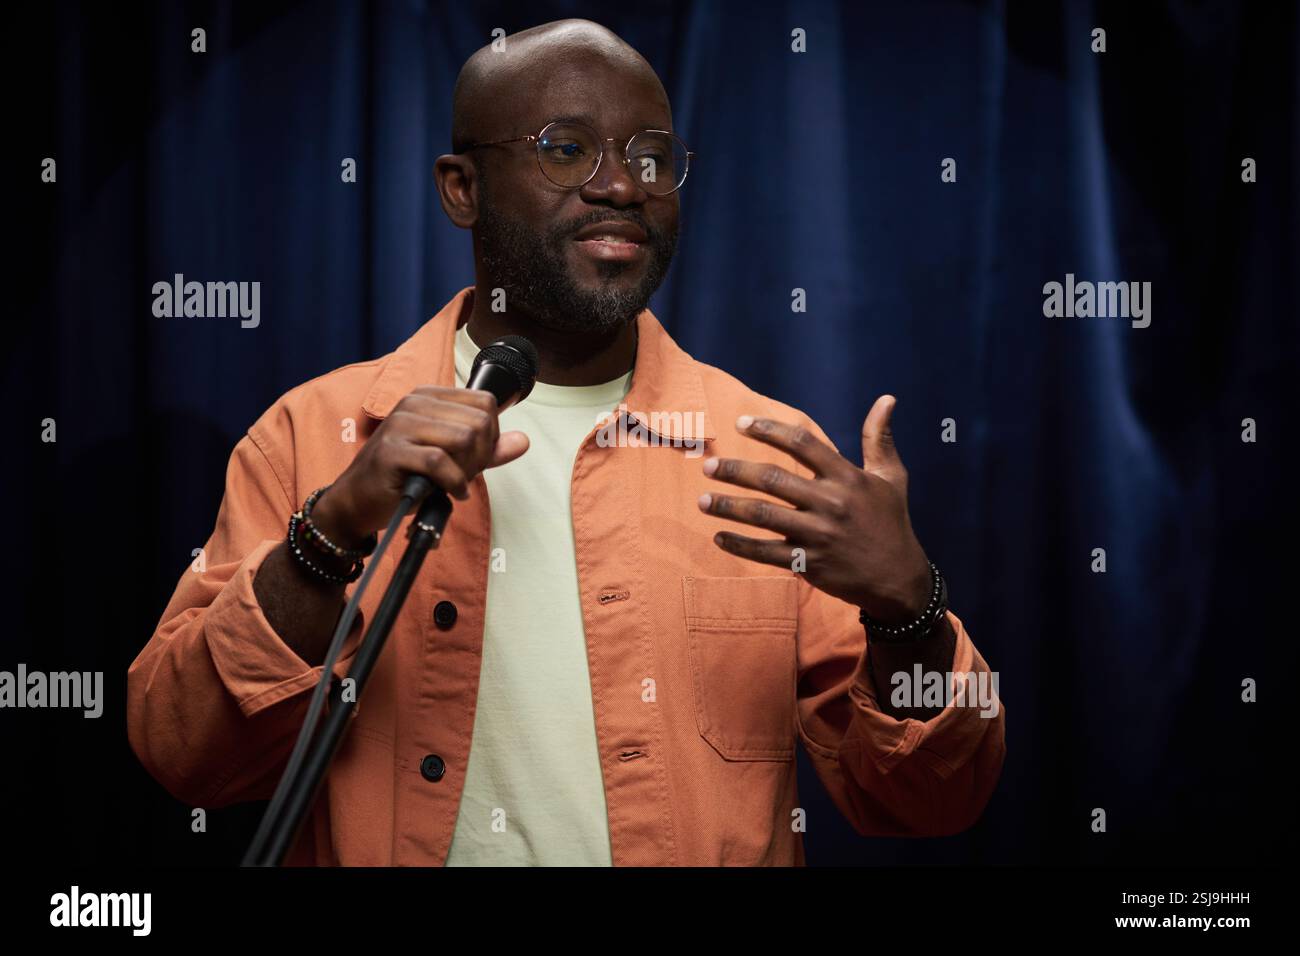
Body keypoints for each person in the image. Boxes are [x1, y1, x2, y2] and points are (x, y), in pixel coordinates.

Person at [127, 18, 1005, 866]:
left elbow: (928, 801)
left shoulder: (768, 455)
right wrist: (328, 537)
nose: (621, 185)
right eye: (564, 149)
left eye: (651, 156)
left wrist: (910, 610)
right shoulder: (315, 434)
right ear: (460, 188)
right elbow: (187, 755)